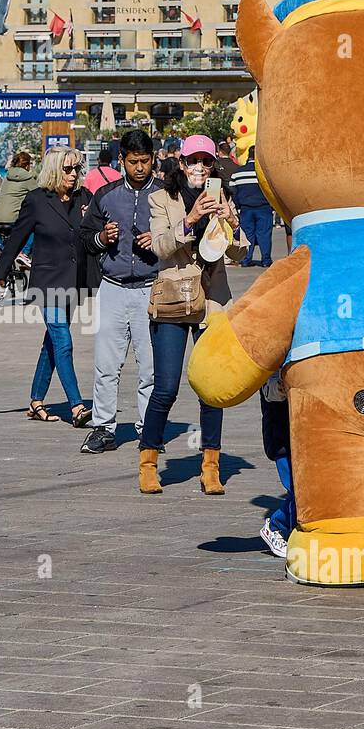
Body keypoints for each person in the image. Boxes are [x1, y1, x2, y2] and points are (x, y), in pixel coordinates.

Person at [138, 134, 248, 495]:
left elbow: (238, 255)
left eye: (205, 160)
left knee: (211, 389)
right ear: (180, 164)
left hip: (212, 303)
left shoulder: (224, 197)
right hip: (173, 300)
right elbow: (159, 247)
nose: (199, 167)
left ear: (212, 165)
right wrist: (190, 219)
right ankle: (149, 462)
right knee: (166, 387)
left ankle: (210, 467)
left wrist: (230, 223)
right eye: (192, 160)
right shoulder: (160, 198)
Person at [0, 146, 98, 428]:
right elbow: (15, 242)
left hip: (75, 281)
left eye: (77, 169)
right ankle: (78, 406)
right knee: (63, 341)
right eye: (68, 169)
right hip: (47, 283)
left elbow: (99, 229)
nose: (74, 174)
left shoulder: (84, 198)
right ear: (55, 170)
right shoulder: (36, 200)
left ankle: (36, 402)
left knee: (53, 343)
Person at [79, 129, 159, 454]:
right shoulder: (106, 195)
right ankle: (103, 427)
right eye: (133, 162)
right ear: (122, 161)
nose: (140, 168)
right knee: (106, 363)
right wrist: (102, 237)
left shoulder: (166, 195)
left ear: (152, 159)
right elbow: (84, 237)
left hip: (152, 289)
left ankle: (149, 430)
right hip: (112, 287)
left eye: (145, 161)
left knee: (150, 366)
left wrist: (160, 239)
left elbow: (185, 238)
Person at [258, 372, 295, 559]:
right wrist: (282, 385)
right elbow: (267, 391)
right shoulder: (272, 357)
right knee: (300, 491)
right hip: (283, 440)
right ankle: (274, 527)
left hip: (307, 438)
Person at [230, 145, 274, 266]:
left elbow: (233, 192)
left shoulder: (237, 173)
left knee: (247, 234)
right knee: (264, 234)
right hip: (264, 208)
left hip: (245, 209)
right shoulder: (265, 173)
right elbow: (272, 190)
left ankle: (246, 259)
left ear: (248, 156)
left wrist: (238, 206)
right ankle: (266, 260)